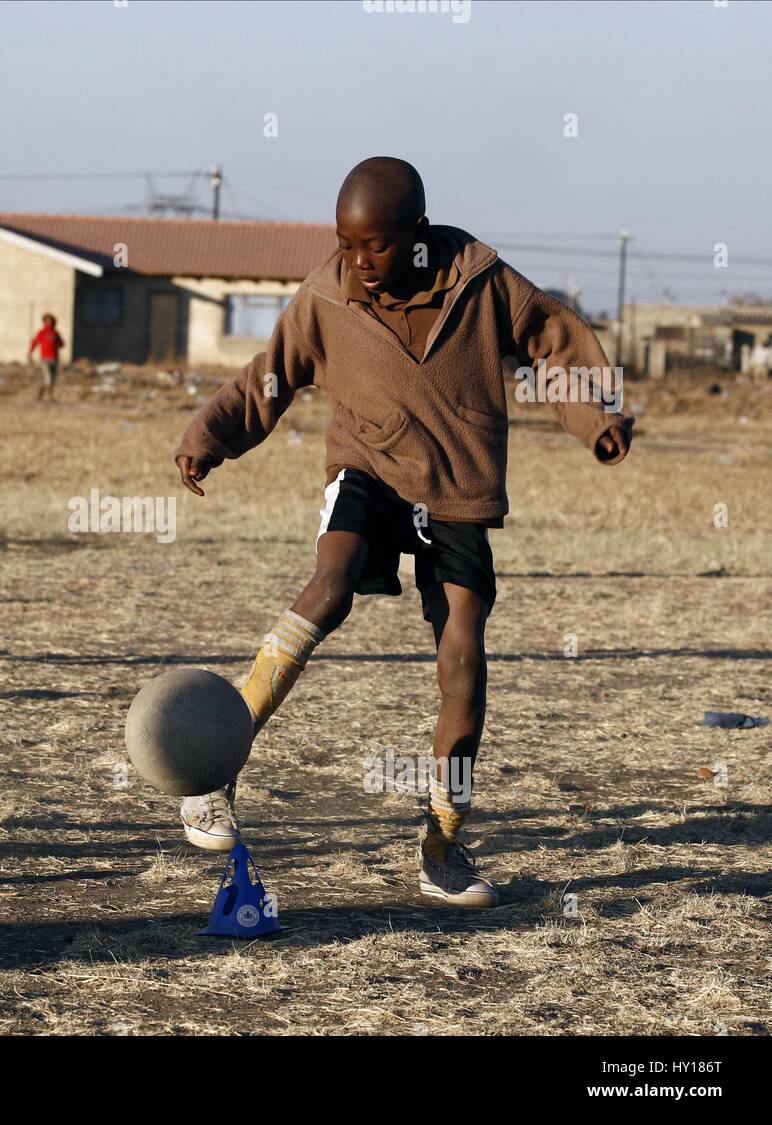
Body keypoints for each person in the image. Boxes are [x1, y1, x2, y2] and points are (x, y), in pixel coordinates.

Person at [172, 157, 633, 907]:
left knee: (463, 650)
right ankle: (212, 771)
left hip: (457, 487)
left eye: (375, 246)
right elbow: (271, 374)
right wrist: (209, 434)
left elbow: (552, 337)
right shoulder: (326, 294)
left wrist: (598, 416)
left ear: (418, 231)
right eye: (346, 244)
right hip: (367, 467)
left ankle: (443, 842)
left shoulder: (481, 281)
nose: (358, 261)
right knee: (332, 583)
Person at [29, 312, 64, 401]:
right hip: (45, 359)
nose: (49, 322)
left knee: (52, 380)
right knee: (48, 379)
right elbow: (35, 342)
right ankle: (49, 396)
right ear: (44, 321)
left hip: (55, 359)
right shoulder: (41, 332)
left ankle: (41, 394)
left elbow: (61, 344)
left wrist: (57, 342)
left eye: (51, 320)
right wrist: (30, 352)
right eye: (47, 320)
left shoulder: (56, 333)